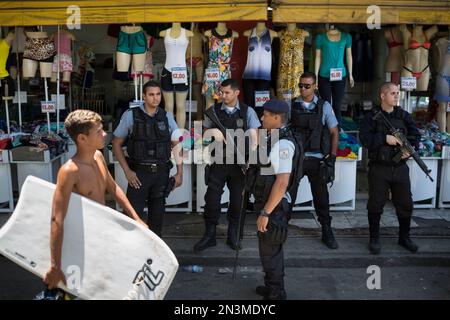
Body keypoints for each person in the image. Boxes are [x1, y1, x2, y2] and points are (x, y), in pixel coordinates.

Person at [43, 110, 147, 289]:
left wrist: (136, 218)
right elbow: (57, 220)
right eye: (99, 131)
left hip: (102, 233)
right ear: (82, 138)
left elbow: (113, 188)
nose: (105, 134)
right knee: (82, 290)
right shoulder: (70, 171)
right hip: (82, 241)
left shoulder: (98, 157)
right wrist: (55, 266)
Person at [193, 78, 260, 253]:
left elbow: (254, 139)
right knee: (212, 201)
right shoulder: (213, 111)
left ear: (237, 93)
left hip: (240, 165)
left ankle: (234, 235)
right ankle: (209, 235)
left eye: (227, 92)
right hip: (219, 162)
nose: (222, 95)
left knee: (238, 202)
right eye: (221, 92)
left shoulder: (248, 112)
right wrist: (211, 132)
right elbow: (199, 137)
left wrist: (250, 159)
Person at [112, 80, 183, 237]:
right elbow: (116, 143)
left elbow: (177, 144)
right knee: (132, 218)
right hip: (139, 174)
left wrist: (179, 173)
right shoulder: (131, 115)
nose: (155, 98)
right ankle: (131, 252)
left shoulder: (167, 117)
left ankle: (155, 254)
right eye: (151, 94)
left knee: (157, 219)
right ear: (144, 96)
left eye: (158, 94)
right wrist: (127, 171)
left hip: (161, 173)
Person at [249, 99, 302, 300]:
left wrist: (265, 213)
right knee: (269, 247)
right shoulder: (276, 137)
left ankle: (277, 293)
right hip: (270, 202)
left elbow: (281, 182)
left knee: (270, 249)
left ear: (277, 118)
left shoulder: (283, 144)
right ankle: (272, 286)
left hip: (274, 206)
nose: (262, 118)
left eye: (266, 115)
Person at [360, 82, 421, 254]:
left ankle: (404, 237)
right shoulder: (371, 117)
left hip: (400, 167)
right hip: (379, 168)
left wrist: (409, 152)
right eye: (393, 93)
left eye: (397, 93)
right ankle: (374, 238)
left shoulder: (404, 116)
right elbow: (364, 139)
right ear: (383, 96)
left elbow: (415, 136)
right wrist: (384, 138)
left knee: (405, 204)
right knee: (375, 205)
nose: (396, 96)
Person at [290, 72, 339, 249]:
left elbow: (334, 132)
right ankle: (279, 230)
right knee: (287, 196)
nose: (303, 89)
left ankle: (327, 231)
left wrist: (332, 158)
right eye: (301, 85)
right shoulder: (291, 105)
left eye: (307, 86)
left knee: (322, 200)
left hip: (318, 160)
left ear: (315, 86)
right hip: (297, 160)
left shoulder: (324, 106)